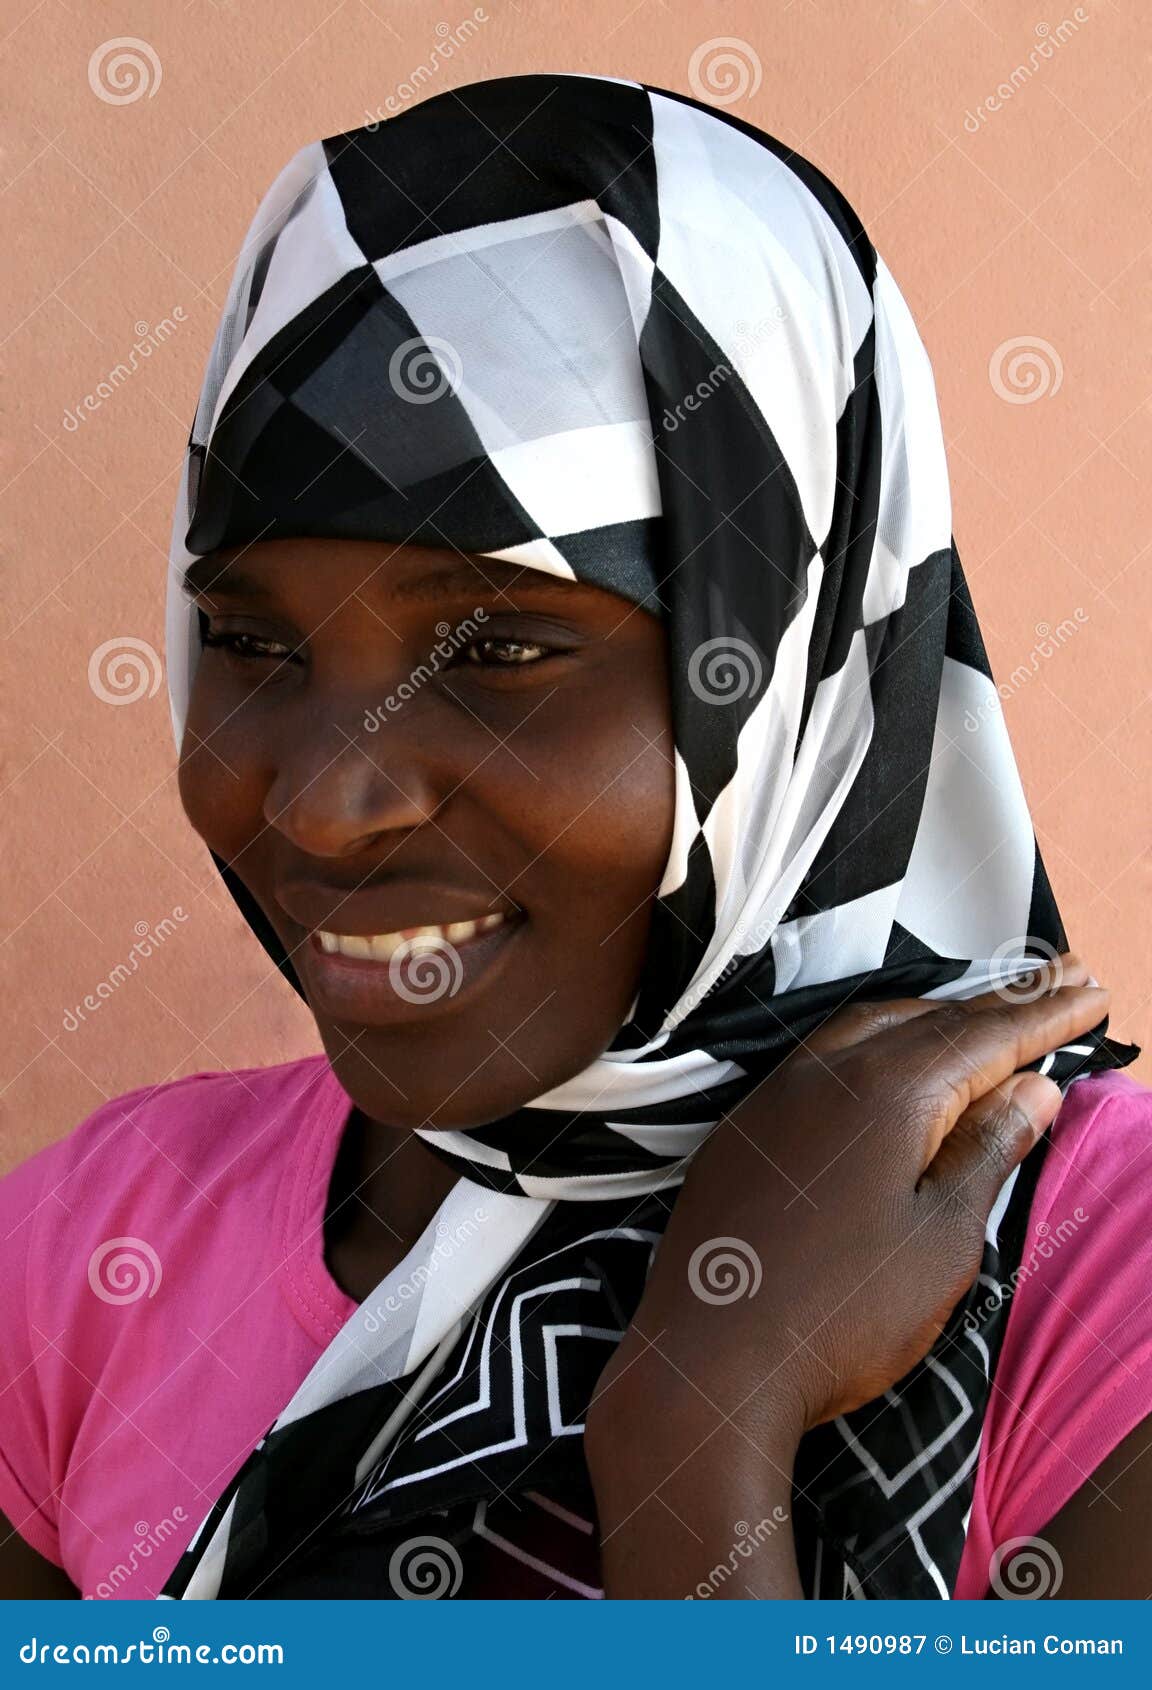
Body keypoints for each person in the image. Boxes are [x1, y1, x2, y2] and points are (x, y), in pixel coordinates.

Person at [1, 73, 1148, 1603]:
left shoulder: (1095, 1276)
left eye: (498, 651)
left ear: (789, 664)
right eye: (252, 643)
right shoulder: (94, 1246)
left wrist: (703, 1414)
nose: (324, 803)